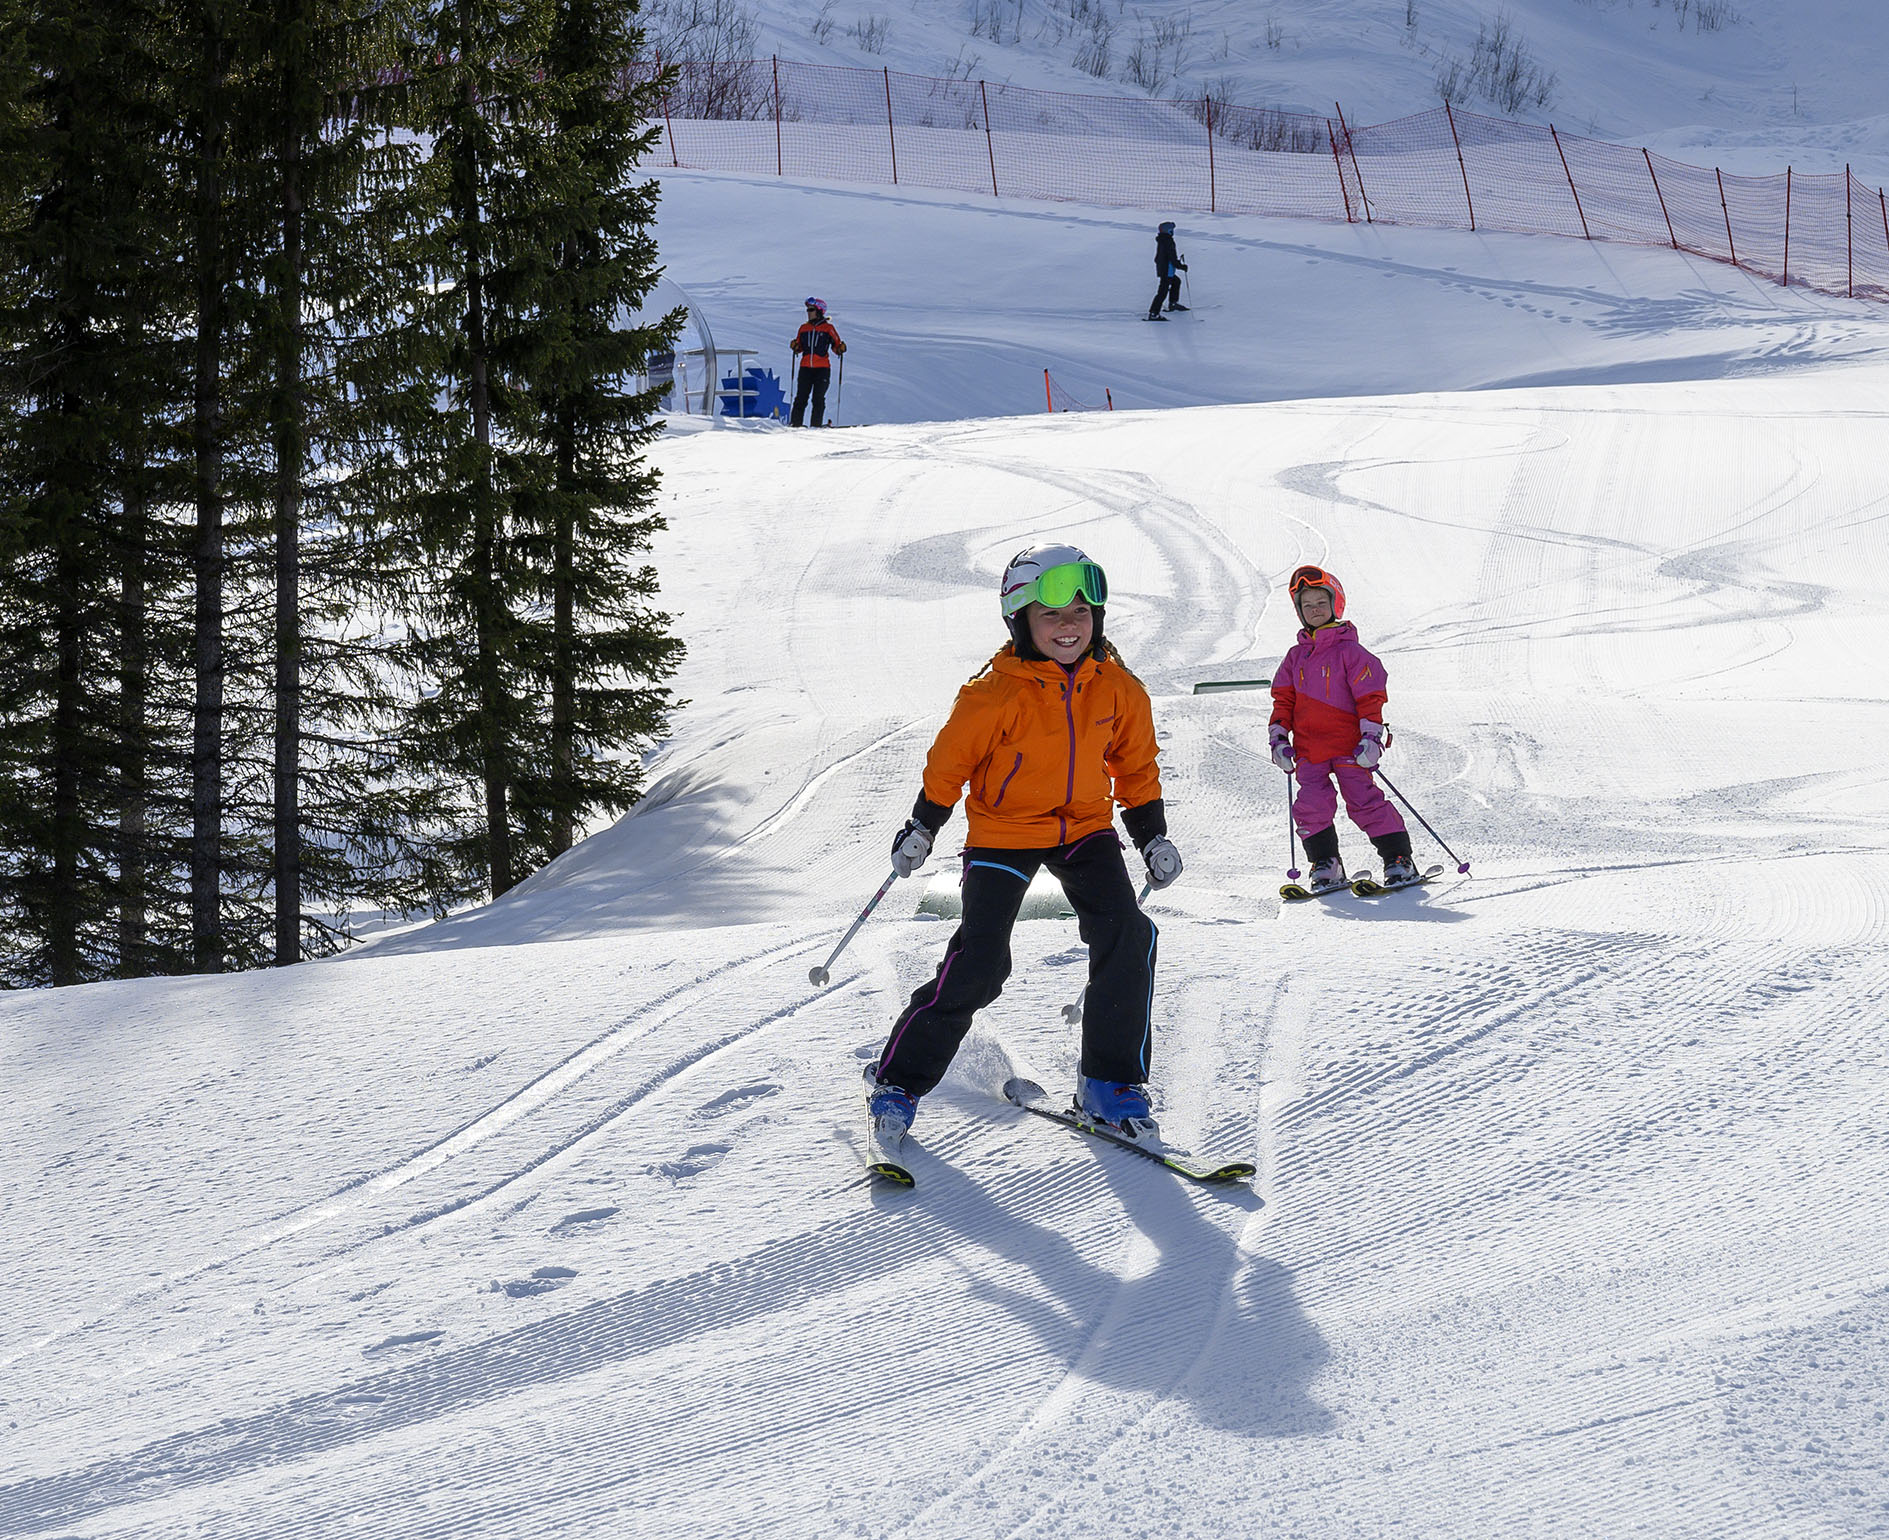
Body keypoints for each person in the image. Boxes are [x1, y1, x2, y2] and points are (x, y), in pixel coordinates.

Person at [866, 544, 1184, 1150]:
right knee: (982, 965)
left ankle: (1109, 1084)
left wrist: (1152, 836)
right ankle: (897, 1083)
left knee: (1129, 932)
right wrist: (922, 825)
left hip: (1085, 829)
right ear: (1020, 622)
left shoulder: (1116, 688)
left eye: (1082, 614)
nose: (1069, 627)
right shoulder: (993, 694)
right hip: (1004, 834)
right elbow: (949, 764)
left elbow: (1136, 765)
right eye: (1051, 615)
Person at [1268, 565, 1416, 892]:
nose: (1315, 610)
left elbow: (1370, 695)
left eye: (1321, 602)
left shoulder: (1351, 652)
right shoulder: (1295, 658)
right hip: (1309, 751)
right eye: (1307, 606)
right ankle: (1325, 863)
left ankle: (1398, 859)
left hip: (1351, 749)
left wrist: (1371, 737)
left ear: (1336, 604)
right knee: (1310, 808)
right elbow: (1283, 701)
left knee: (1365, 802)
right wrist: (1279, 738)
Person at [789, 297, 846, 426]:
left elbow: (836, 347)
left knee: (818, 399)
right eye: (807, 309)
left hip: (822, 369)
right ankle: (795, 424)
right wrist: (795, 347)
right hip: (805, 368)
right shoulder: (803, 328)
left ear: (819, 311)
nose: (808, 312)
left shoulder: (828, 328)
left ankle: (816, 426)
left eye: (811, 309)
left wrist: (840, 349)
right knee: (800, 398)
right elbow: (800, 347)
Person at [1146, 220, 1188, 321]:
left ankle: (1173, 303)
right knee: (1162, 292)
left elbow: (1159, 257)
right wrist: (1181, 266)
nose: (1173, 232)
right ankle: (1154, 313)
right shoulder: (1168, 241)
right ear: (1168, 231)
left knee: (1176, 281)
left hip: (1165, 269)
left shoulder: (1162, 240)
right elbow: (1172, 258)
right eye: (1172, 230)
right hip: (1166, 271)